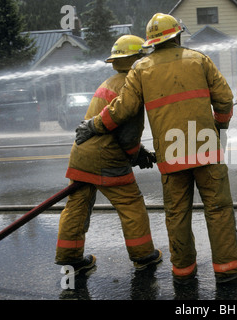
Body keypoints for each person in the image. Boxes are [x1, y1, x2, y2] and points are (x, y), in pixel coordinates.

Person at [75, 13, 237, 284]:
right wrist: (219, 127)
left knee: (177, 214)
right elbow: (225, 99)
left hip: (171, 155)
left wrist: (94, 125)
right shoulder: (199, 59)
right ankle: (228, 270)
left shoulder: (140, 68)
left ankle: (183, 272)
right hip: (206, 148)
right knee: (218, 209)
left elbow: (123, 109)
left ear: (152, 43)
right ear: (178, 35)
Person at [55, 35, 162, 274]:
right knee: (130, 203)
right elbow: (127, 136)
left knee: (77, 204)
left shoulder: (110, 82)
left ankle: (69, 258)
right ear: (136, 59)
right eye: (143, 56)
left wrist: (139, 152)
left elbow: (113, 125)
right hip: (106, 157)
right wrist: (137, 154)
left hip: (82, 153)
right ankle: (144, 256)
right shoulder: (132, 86)